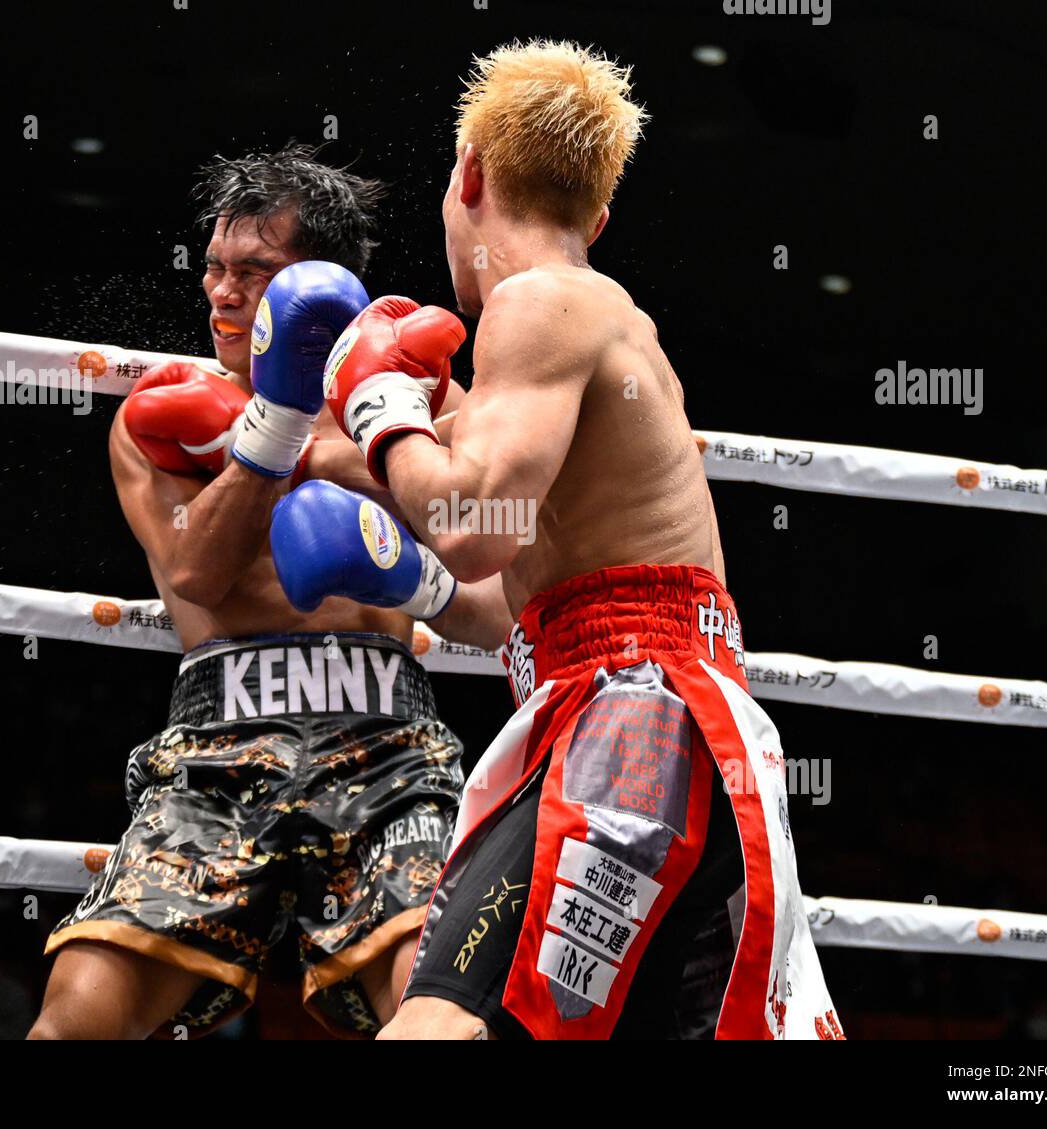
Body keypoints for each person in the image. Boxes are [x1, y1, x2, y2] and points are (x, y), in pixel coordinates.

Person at [298, 40, 842, 1039]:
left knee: (443, 1023)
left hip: (632, 720)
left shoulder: (539, 301)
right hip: (651, 715)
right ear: (597, 213)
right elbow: (505, 601)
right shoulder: (579, 329)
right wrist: (330, 480)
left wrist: (379, 408)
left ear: (468, 173)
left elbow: (463, 523)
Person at [29, 146, 469, 1040]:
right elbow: (197, 572)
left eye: (255, 273)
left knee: (444, 1008)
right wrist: (274, 418)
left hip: (384, 736)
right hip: (219, 736)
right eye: (214, 270)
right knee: (77, 1019)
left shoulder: (408, 391)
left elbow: (479, 526)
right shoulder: (160, 413)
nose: (223, 294)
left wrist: (322, 434)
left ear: (319, 281)